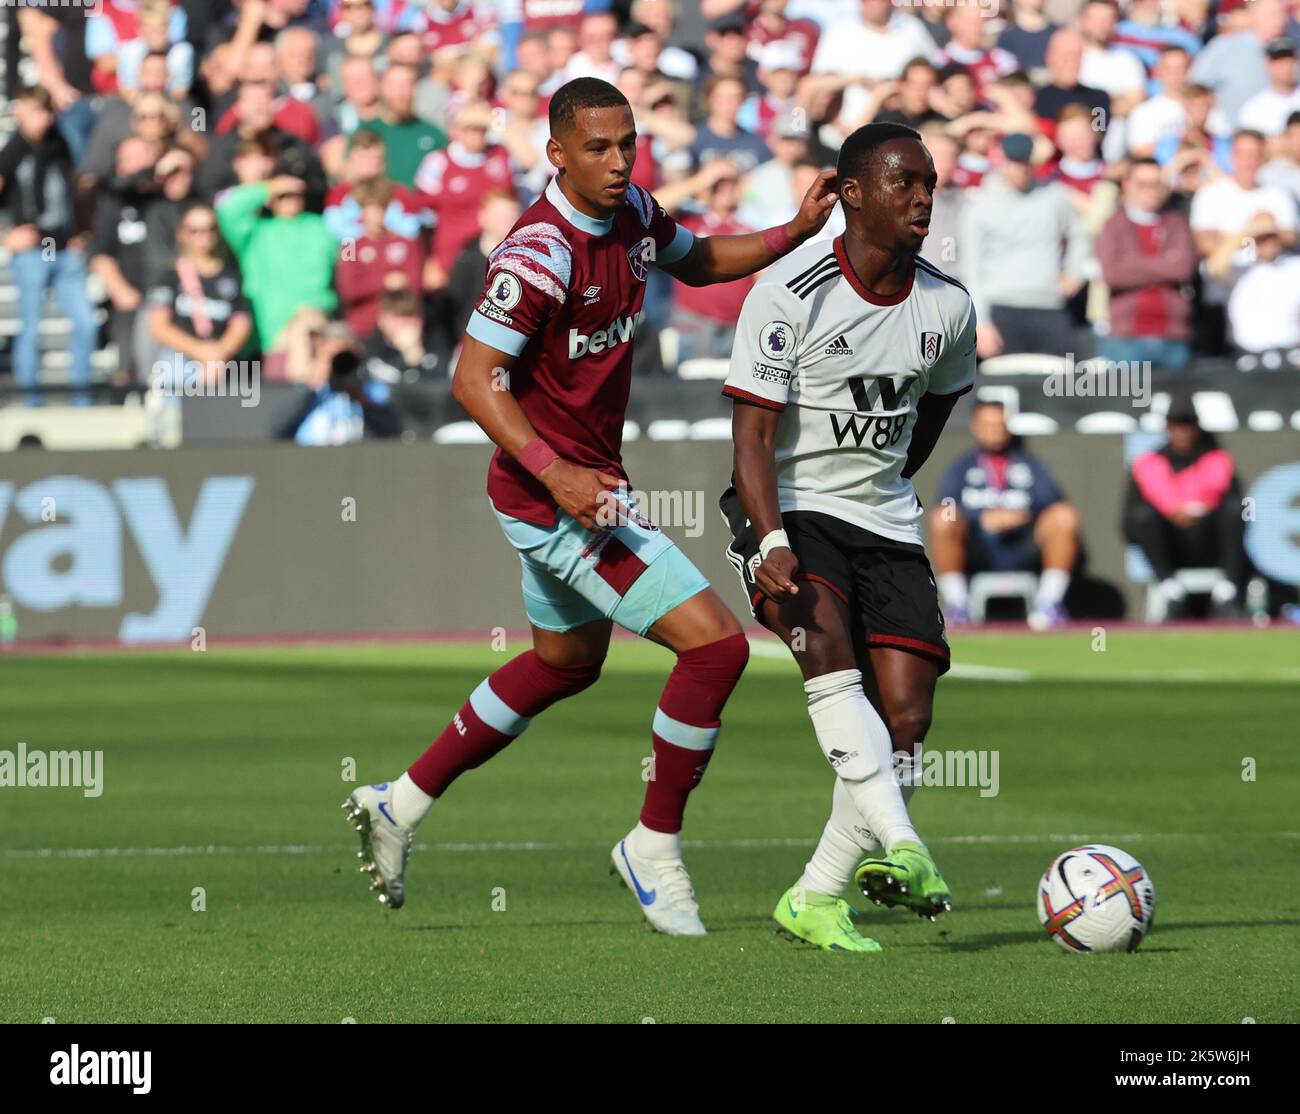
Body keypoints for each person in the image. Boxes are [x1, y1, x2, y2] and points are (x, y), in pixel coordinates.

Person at [343, 77, 839, 935]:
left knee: (567, 664)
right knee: (717, 649)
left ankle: (402, 800)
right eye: (599, 149)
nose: (618, 163)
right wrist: (556, 474)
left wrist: (792, 233)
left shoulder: (635, 211)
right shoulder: (537, 253)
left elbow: (697, 257)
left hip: (572, 487)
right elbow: (473, 378)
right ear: (557, 153)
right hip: (562, 501)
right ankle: (653, 843)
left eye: (628, 144)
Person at [720, 121, 972, 952]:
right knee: (827, 652)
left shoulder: (948, 305)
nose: (923, 198)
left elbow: (931, 412)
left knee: (905, 718)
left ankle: (817, 895)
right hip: (793, 508)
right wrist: (768, 541)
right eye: (905, 182)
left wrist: (889, 480)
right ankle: (905, 848)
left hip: (885, 520)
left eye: (930, 183)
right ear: (853, 193)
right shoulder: (790, 294)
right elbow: (751, 437)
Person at [930, 400, 1082, 629]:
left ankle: (1049, 604)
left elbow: (1051, 502)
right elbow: (947, 504)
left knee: (1064, 516)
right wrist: (981, 517)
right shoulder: (961, 467)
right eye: (988, 424)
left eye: (1000, 424)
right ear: (976, 426)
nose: (995, 430)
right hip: (977, 547)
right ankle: (958, 605)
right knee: (942, 518)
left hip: (1024, 545)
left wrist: (1019, 515)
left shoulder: (1030, 464)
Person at [0, 86, 96, 406]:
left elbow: (76, 188)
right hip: (32, 250)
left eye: (47, 112)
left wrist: (83, 231)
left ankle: (82, 401)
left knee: (84, 323)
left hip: (63, 247)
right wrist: (5, 236)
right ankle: (32, 402)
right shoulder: (13, 151)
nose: (44, 120)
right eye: (36, 112)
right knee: (32, 326)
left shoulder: (60, 142)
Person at [960, 132, 1090, 358]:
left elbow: (1080, 233)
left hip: (1049, 306)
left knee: (1054, 386)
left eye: (1024, 163)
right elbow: (971, 268)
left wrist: (1075, 273)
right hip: (1001, 307)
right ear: (1001, 161)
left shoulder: (1054, 196)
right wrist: (980, 322)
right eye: (1013, 163)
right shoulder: (980, 206)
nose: (1019, 170)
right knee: (1005, 387)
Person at [1123, 398, 1247, 619]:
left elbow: (1234, 508)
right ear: (1167, 428)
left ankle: (1227, 593)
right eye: (1176, 425)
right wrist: (1172, 511)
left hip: (1209, 543)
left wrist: (1199, 511)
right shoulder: (1149, 463)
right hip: (1170, 546)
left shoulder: (1216, 459)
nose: (1182, 431)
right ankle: (1170, 590)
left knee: (1235, 510)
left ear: (1196, 427)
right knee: (1142, 517)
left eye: (1187, 424)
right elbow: (1128, 524)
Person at [1095, 158, 1196, 370]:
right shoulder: (1114, 225)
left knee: (1176, 402)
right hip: (1126, 338)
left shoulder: (1176, 223)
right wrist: (1164, 264)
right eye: (1144, 184)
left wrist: (1134, 264)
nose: (1152, 191)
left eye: (1157, 184)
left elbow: (1183, 268)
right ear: (1127, 184)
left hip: (1173, 334)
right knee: (1129, 401)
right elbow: (1113, 274)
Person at [144, 202, 253, 397]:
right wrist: (201, 352)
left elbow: (241, 323)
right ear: (182, 234)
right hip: (181, 359)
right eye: (195, 230)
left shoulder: (231, 276)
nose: (203, 236)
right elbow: (159, 326)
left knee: (244, 385)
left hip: (222, 361)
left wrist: (219, 354)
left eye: (209, 229)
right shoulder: (170, 276)